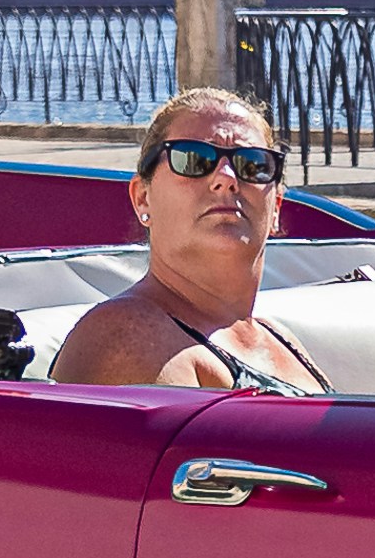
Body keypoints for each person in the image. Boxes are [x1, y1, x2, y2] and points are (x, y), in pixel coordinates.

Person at [47, 88, 335, 394]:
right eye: (194, 159)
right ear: (143, 199)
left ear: (275, 207)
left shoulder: (278, 338)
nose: (226, 178)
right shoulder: (127, 332)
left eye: (253, 164)